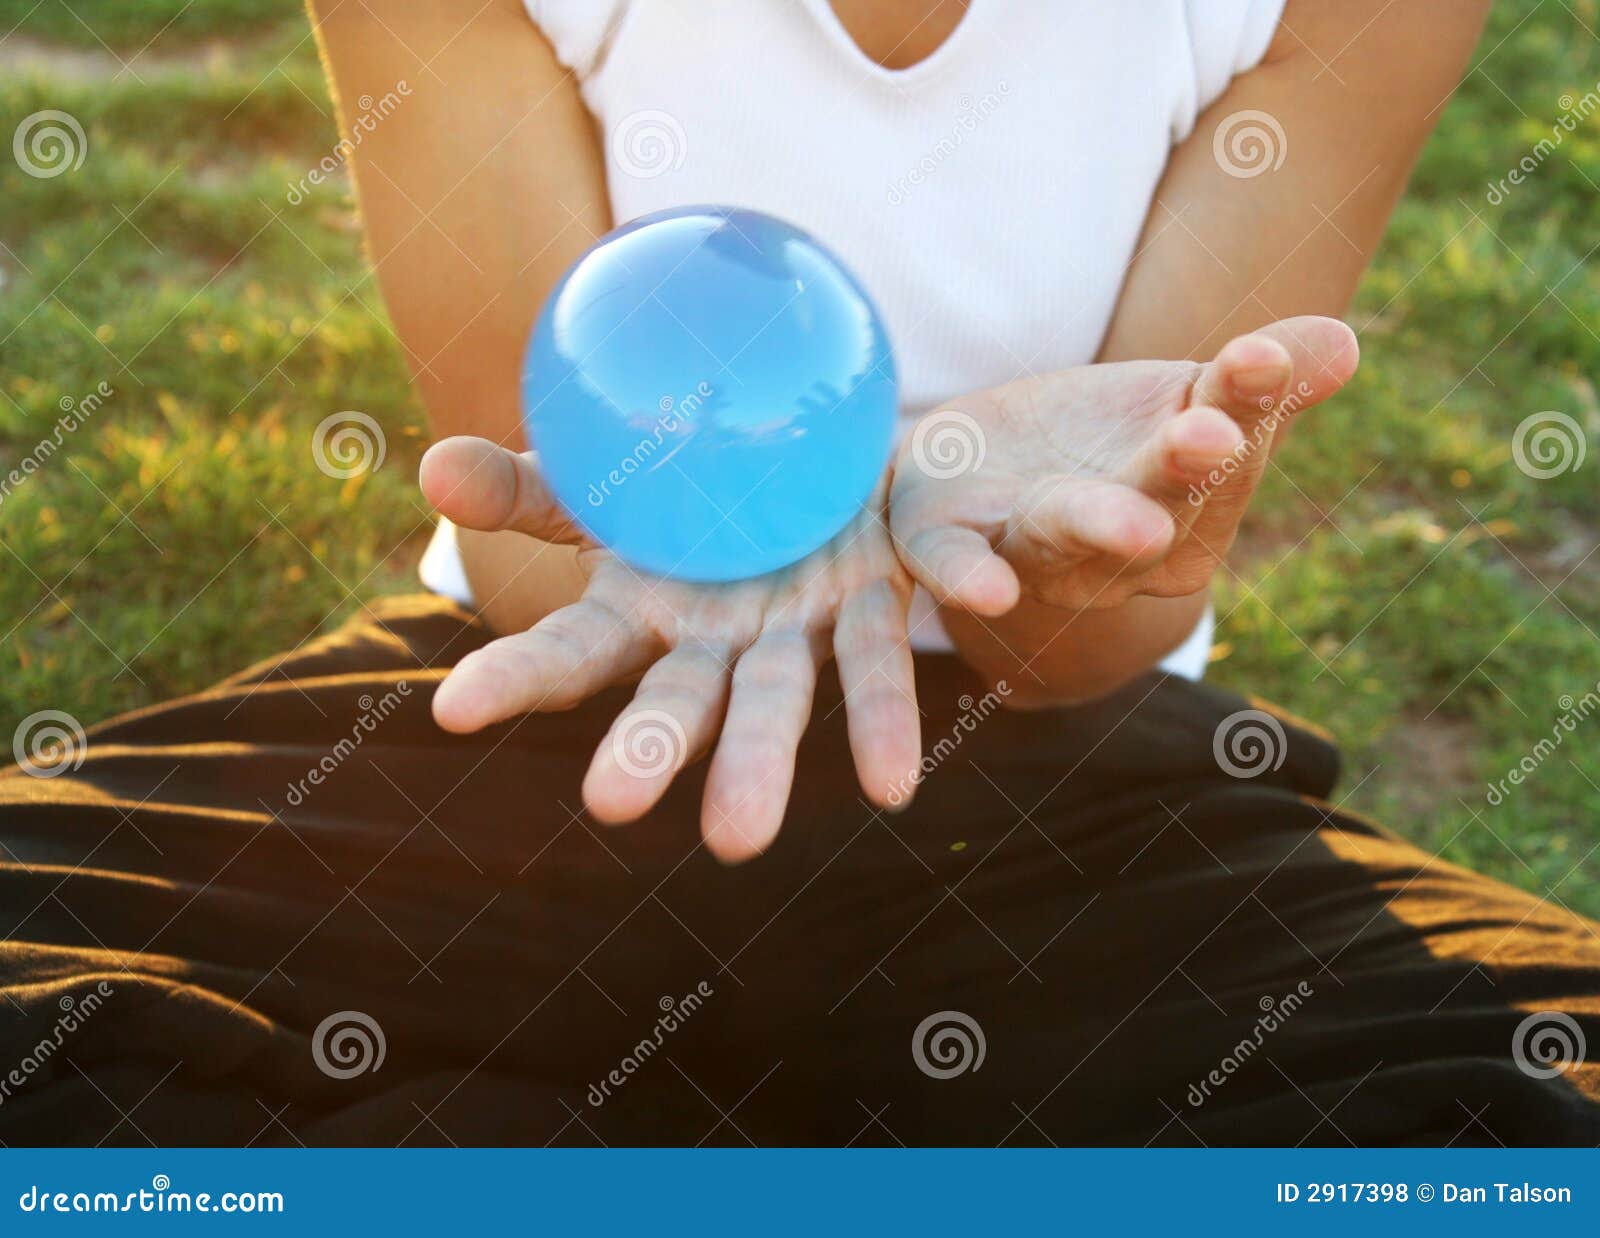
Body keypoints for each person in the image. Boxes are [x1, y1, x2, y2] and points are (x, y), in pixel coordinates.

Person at [3, 0, 1596, 1146]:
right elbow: (528, 518)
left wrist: (1023, 554)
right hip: (557, 706)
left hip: (1065, 777)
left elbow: (1109, 630)